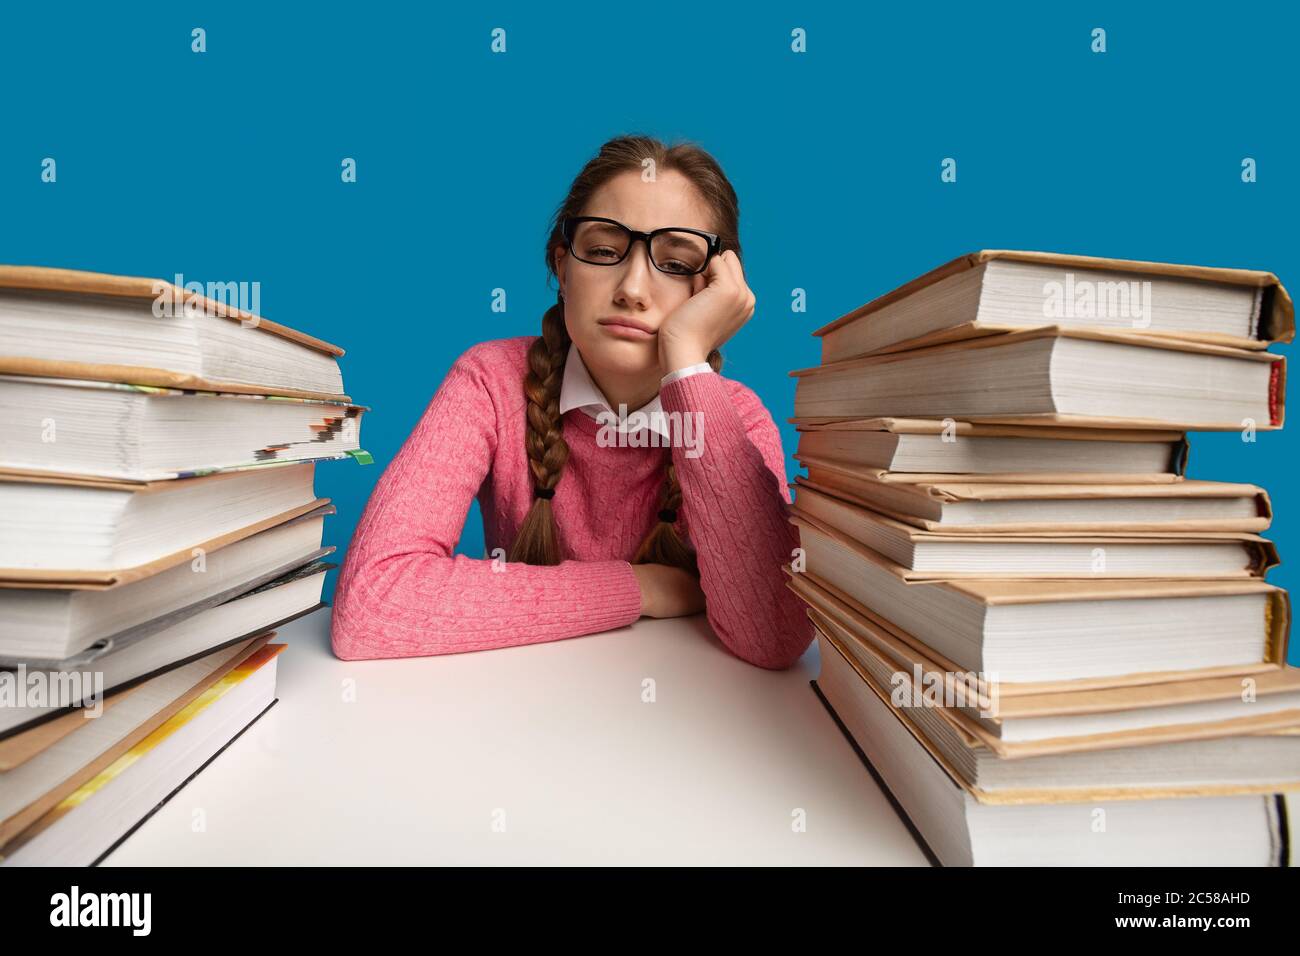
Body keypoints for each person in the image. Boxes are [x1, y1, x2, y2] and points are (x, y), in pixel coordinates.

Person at [330, 134, 813, 669]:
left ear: (715, 288)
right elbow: (373, 605)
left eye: (675, 263)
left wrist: (686, 361)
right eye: (605, 251)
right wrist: (640, 589)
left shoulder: (735, 417)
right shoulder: (491, 380)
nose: (632, 287)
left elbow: (775, 635)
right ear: (562, 269)